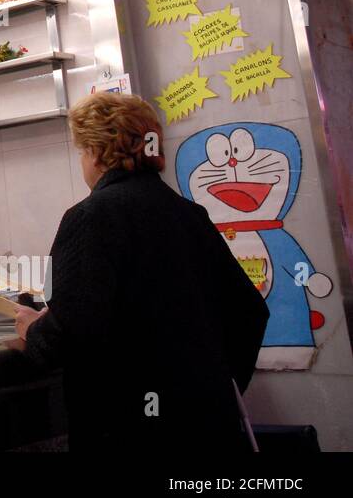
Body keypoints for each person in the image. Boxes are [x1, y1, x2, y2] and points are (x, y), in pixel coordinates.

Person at [13, 93, 268, 450]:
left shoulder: (91, 217)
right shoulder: (189, 214)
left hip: (130, 430)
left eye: (82, 151)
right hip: (208, 426)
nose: (83, 161)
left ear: (98, 153)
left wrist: (35, 329)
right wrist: (210, 386)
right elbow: (250, 312)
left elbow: (70, 334)